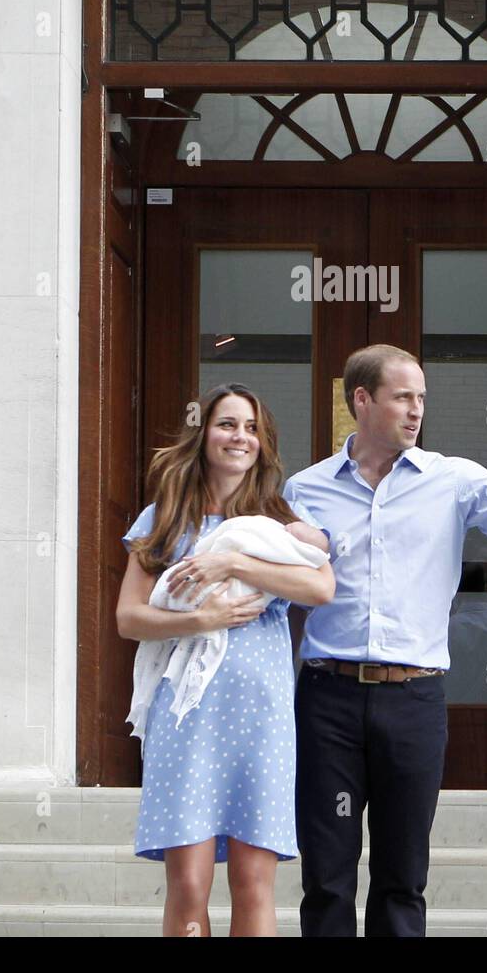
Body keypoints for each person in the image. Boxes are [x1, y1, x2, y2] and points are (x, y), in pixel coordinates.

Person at [282, 344, 487, 937]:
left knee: (402, 876)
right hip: (326, 699)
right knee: (326, 877)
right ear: (362, 400)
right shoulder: (304, 491)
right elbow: (274, 588)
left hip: (413, 701)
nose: (416, 411)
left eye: (422, 399)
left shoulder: (455, 482)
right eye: (403, 397)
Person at [116, 381, 333, 937]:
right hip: (186, 714)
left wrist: (232, 563)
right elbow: (129, 618)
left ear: (264, 442)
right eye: (227, 424)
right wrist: (200, 620)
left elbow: (321, 589)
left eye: (251, 428)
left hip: (260, 715)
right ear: (204, 433)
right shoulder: (162, 518)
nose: (240, 437)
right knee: (187, 885)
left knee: (253, 884)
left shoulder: (283, 518)